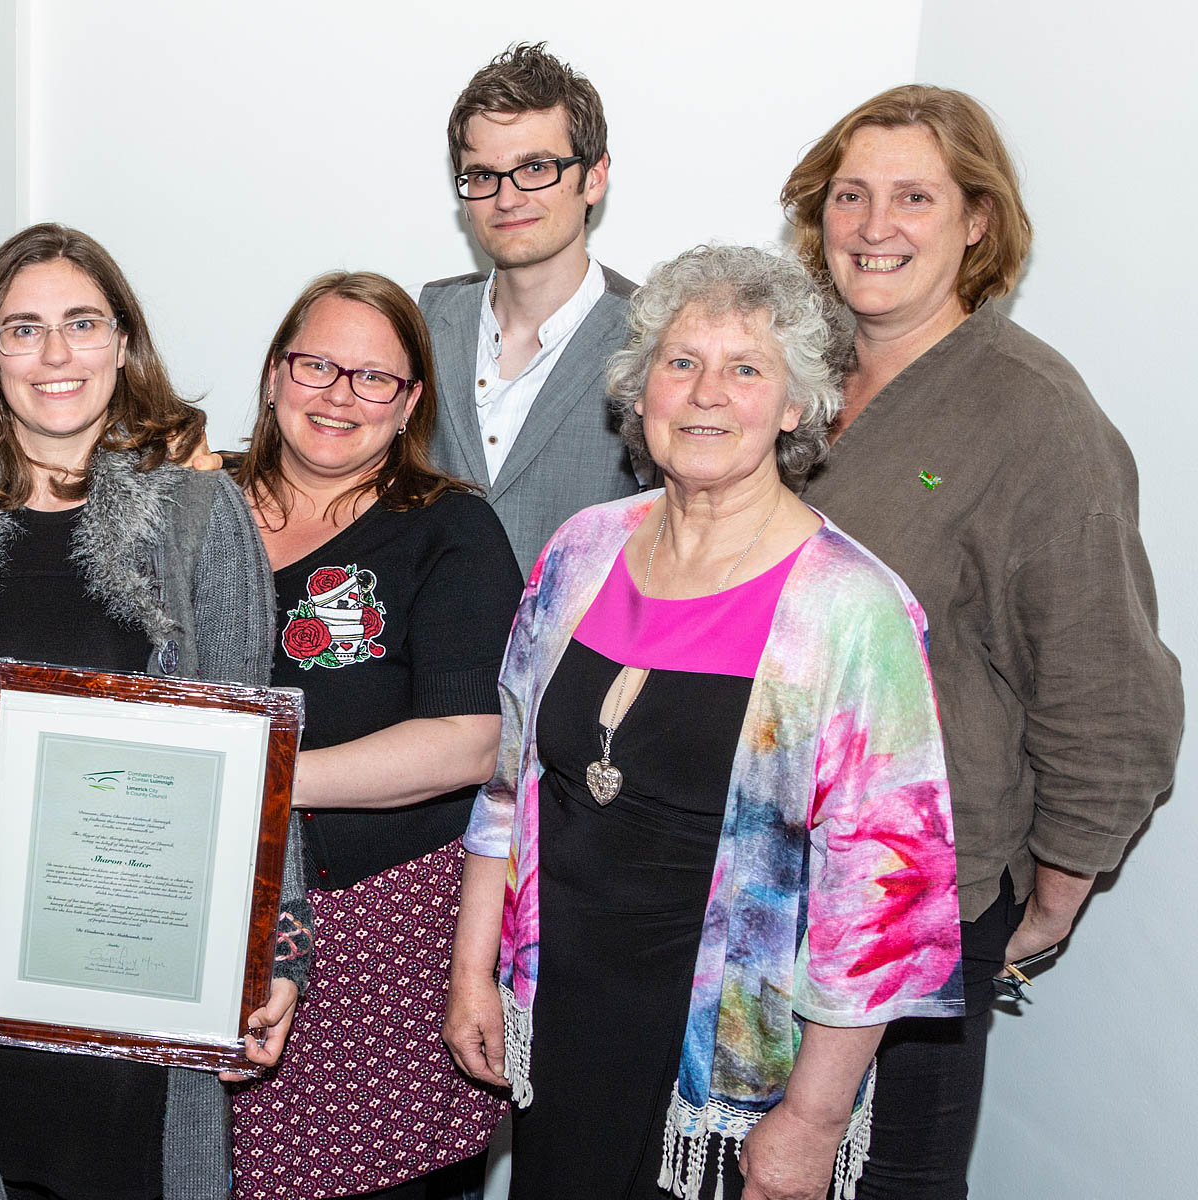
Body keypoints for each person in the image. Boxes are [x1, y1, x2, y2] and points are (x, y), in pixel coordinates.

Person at [443, 245, 967, 1200]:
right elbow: (508, 785)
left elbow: (887, 905)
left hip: (729, 1065)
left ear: (797, 404)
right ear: (640, 390)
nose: (705, 394)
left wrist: (811, 1119)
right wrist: (474, 969)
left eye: (745, 369)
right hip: (561, 1015)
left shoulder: (852, 608)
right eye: (680, 362)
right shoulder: (583, 549)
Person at [781, 86, 1182, 1198]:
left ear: (977, 223)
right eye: (849, 195)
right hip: (760, 883)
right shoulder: (787, 376)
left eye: (914, 196)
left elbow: (1107, 683)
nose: (872, 226)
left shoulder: (1033, 414)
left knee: (874, 1177)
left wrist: (1055, 887)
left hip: (921, 907)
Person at [0, 222, 304, 1200]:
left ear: (123, 343)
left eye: (82, 323)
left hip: (143, 959)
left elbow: (257, 758)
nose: (56, 355)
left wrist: (278, 944)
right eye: (23, 329)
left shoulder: (197, 513)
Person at [223, 273, 517, 1200]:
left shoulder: (449, 530)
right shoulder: (191, 509)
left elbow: (472, 743)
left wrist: (256, 777)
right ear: (275, 375)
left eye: (373, 378)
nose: (339, 395)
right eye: (317, 365)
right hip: (194, 913)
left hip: (378, 940)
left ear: (411, 402)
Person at [420, 42, 642, 574]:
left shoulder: (654, 337)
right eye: (482, 175)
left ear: (593, 177)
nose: (507, 197)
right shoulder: (421, 321)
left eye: (536, 167)